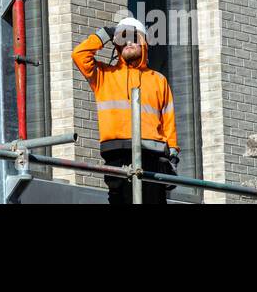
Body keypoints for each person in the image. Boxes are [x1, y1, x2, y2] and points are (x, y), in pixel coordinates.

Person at [72, 16, 179, 204]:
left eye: (134, 38)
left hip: (153, 155)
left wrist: (172, 156)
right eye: (124, 38)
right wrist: (106, 33)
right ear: (117, 46)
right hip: (117, 153)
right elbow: (79, 55)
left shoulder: (158, 80)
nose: (129, 42)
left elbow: (168, 120)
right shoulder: (103, 75)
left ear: (144, 43)